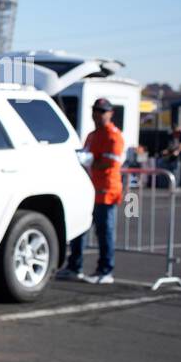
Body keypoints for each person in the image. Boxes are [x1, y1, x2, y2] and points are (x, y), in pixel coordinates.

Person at [56, 98, 124, 284]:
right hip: (90, 190)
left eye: (102, 111)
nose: (98, 114)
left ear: (110, 113)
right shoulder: (92, 135)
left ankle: (105, 270)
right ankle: (74, 267)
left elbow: (110, 162)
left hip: (107, 191)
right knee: (80, 230)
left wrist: (90, 161)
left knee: (105, 232)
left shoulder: (114, 136)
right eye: (96, 110)